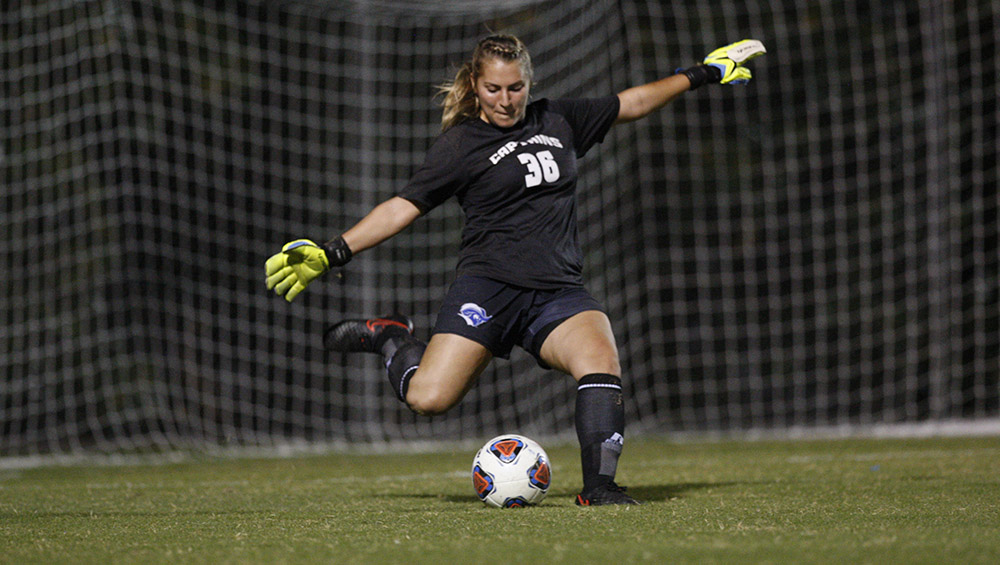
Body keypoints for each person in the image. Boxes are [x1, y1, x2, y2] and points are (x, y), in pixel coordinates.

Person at [266, 34, 765, 506]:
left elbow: (629, 103)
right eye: (493, 89)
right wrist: (334, 251)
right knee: (429, 399)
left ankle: (600, 488)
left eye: (516, 87)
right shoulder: (460, 145)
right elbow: (403, 207)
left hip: (557, 292)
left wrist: (703, 73)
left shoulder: (558, 119)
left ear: (529, 82)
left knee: (600, 359)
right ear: (475, 87)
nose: (506, 100)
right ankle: (391, 336)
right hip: (488, 289)